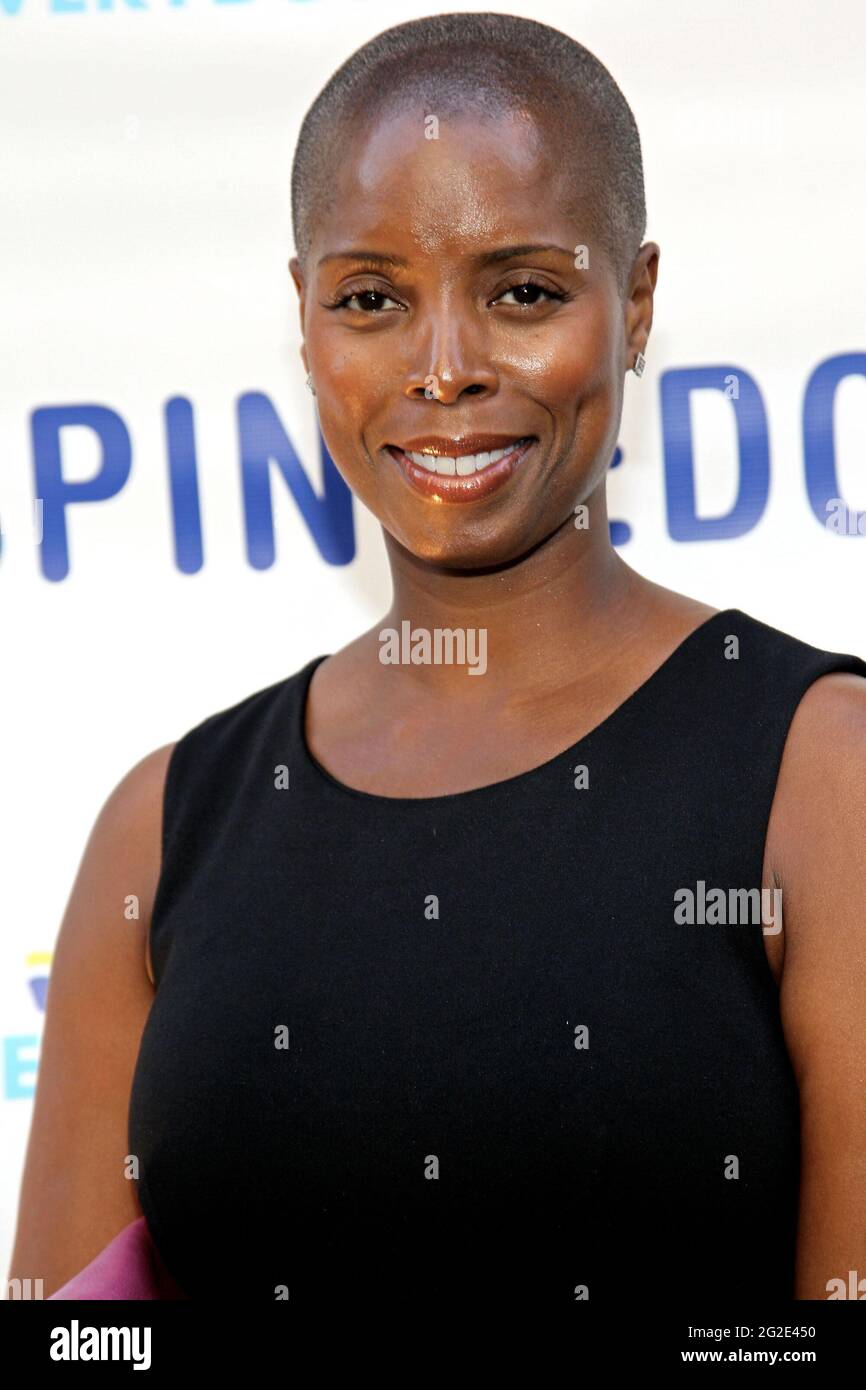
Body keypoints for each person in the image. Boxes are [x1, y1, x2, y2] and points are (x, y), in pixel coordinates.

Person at [9, 12, 866, 1309]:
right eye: (371, 299)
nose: (446, 367)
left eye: (521, 290)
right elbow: (75, 1346)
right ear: (303, 322)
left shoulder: (819, 770)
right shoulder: (166, 825)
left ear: (632, 304)